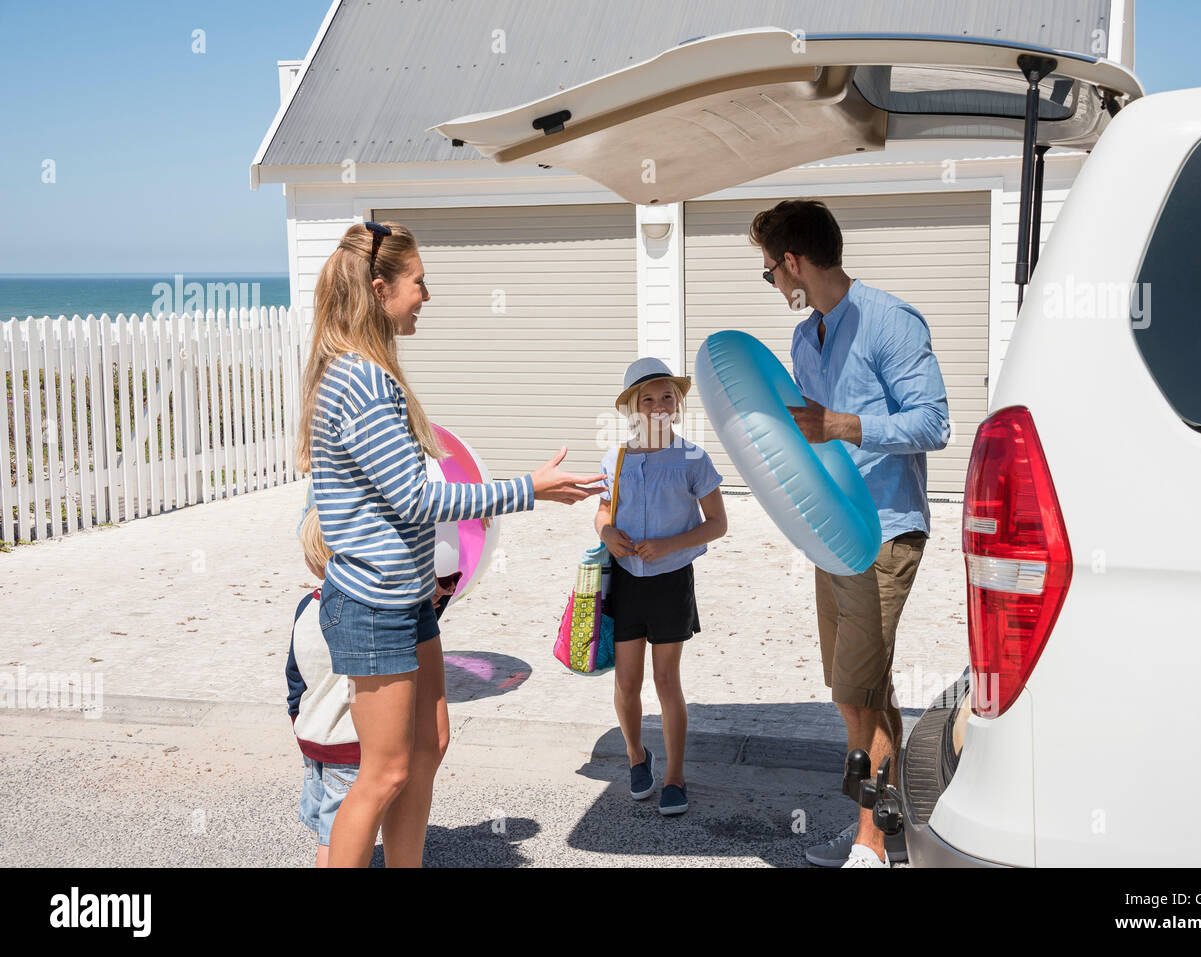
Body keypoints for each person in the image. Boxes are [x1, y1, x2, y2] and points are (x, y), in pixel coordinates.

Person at [296, 221, 605, 867]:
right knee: (381, 773)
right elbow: (415, 498)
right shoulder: (362, 379)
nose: (426, 295)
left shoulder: (367, 369)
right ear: (380, 289)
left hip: (407, 598)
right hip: (374, 604)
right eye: (418, 282)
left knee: (430, 742)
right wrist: (529, 489)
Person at [750, 200, 949, 868]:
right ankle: (883, 821)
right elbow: (809, 443)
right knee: (860, 690)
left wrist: (845, 424)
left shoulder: (891, 321)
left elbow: (934, 423)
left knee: (855, 690)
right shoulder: (805, 341)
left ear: (796, 263)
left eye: (770, 270)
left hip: (886, 531)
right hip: (829, 533)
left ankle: (869, 840)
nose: (773, 282)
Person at [594, 358, 727, 816]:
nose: (658, 406)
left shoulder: (693, 458)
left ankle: (675, 776)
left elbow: (717, 524)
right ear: (631, 407)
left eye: (667, 396)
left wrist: (670, 544)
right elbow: (603, 512)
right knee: (627, 681)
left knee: (667, 681)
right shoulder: (615, 458)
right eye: (647, 399)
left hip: (672, 583)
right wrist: (607, 532)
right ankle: (637, 758)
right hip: (627, 584)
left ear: (679, 403)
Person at [286, 504, 361, 867]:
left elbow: (294, 676)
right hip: (348, 742)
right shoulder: (361, 611)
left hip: (311, 734)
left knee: (327, 827)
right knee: (337, 836)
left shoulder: (305, 607)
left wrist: (298, 717)